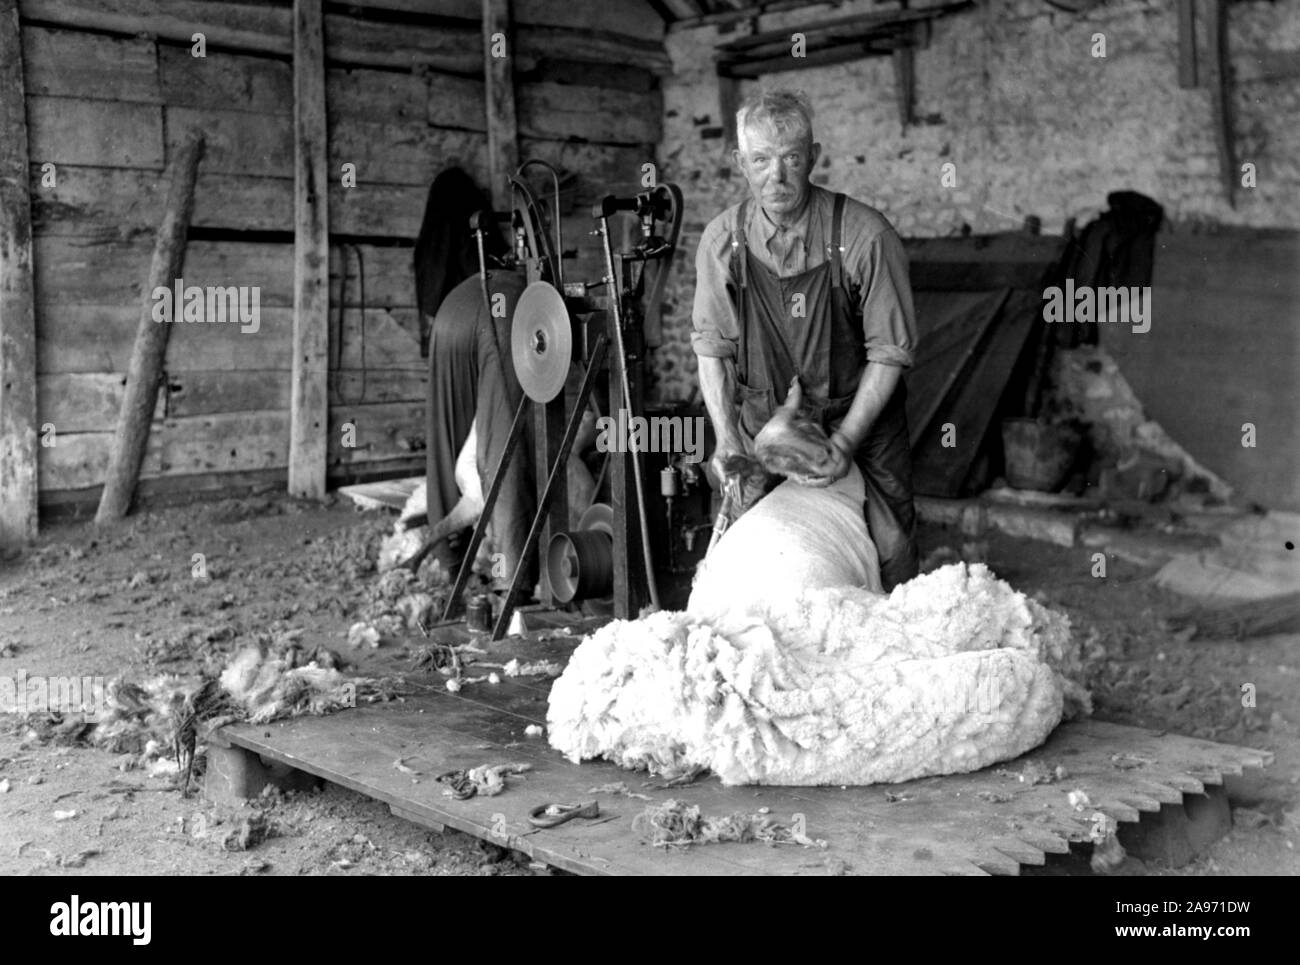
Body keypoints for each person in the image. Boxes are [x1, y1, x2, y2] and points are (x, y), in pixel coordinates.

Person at [692, 88, 920, 590]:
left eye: (791, 158)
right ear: (740, 162)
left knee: (892, 545)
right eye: (761, 160)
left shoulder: (864, 235)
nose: (776, 177)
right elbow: (712, 348)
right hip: (761, 418)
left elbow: (890, 352)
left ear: (812, 158)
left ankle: (898, 647)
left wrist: (843, 442)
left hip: (857, 415)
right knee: (735, 542)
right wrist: (729, 439)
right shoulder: (721, 242)